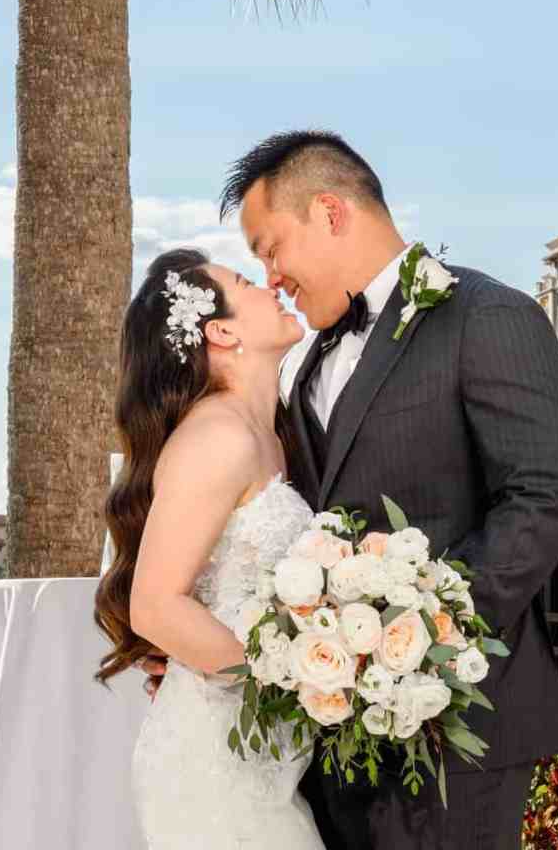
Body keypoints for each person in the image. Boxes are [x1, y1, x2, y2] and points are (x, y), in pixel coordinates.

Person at [223, 130, 558, 850]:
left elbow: (546, 492)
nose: (270, 277)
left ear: (330, 212)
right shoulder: (303, 361)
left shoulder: (488, 315)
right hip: (332, 733)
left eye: (271, 249)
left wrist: (425, 634)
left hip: (462, 724)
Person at [92, 248, 325, 850]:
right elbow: (155, 607)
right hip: (215, 761)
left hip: (261, 751)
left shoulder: (272, 434)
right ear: (220, 332)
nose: (272, 286)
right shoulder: (218, 435)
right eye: (247, 282)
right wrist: (293, 686)